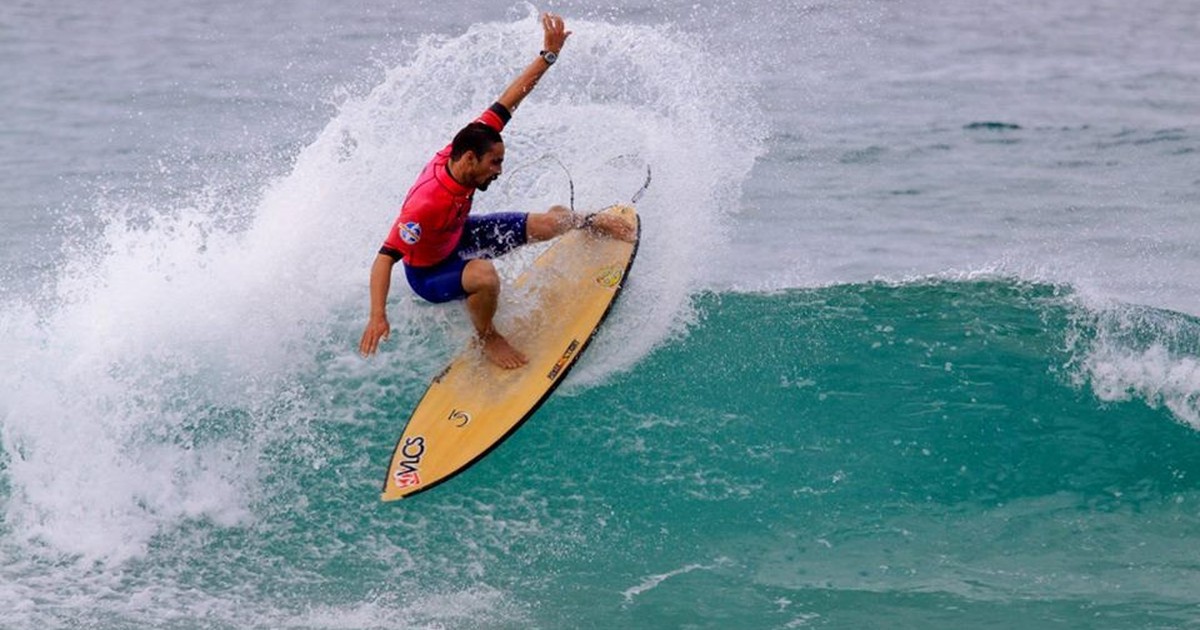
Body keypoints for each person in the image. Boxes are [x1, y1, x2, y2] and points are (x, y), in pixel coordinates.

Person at [358, 13, 634, 369]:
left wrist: (548, 56)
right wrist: (377, 315)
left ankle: (590, 222)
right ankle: (487, 336)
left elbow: (510, 99)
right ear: (470, 159)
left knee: (551, 223)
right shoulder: (426, 205)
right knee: (484, 276)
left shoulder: (474, 138)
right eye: (495, 163)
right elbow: (384, 258)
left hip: (458, 233)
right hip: (428, 272)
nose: (499, 171)